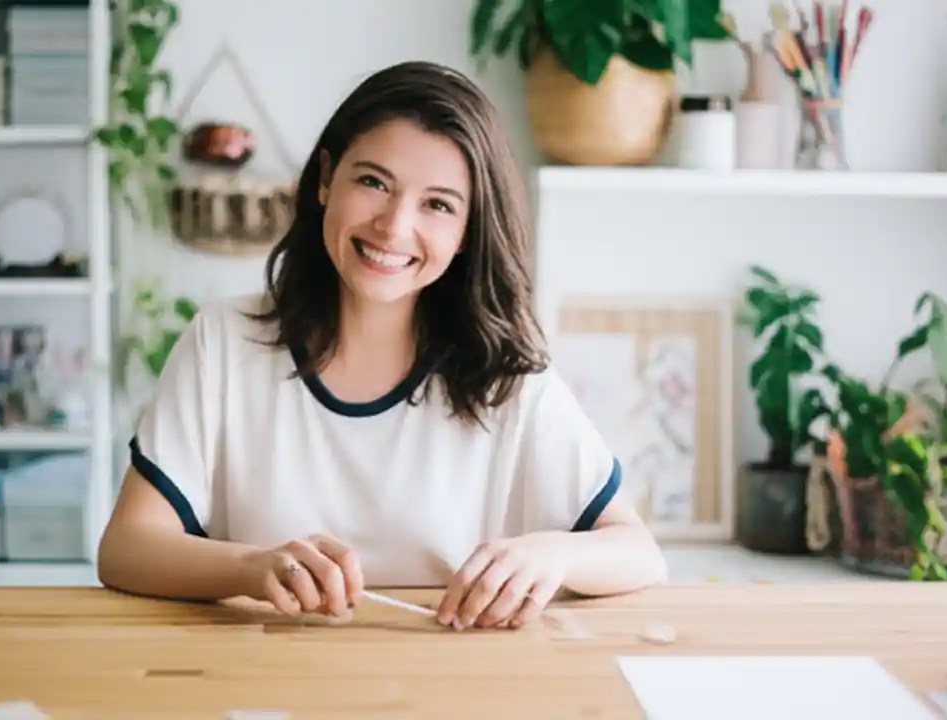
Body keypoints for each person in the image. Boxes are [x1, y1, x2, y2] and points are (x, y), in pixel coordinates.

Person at [97, 60, 667, 631]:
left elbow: (638, 552)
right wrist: (252, 567)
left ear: (467, 230)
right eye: (373, 182)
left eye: (437, 204)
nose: (393, 227)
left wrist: (553, 554)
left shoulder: (507, 379)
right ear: (325, 180)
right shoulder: (222, 342)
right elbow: (127, 547)